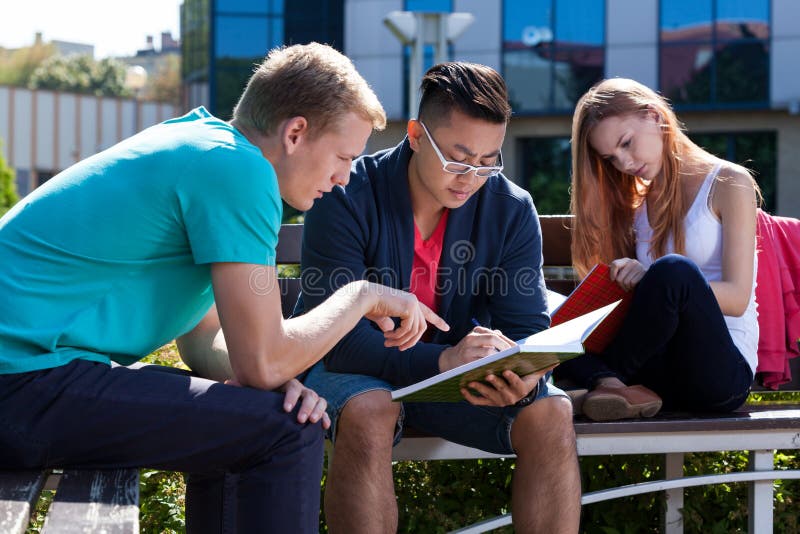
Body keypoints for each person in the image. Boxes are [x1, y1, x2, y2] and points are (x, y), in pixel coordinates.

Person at [0, 42, 447, 533]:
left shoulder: (204, 147)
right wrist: (362, 295)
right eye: (343, 157)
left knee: (271, 415)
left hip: (31, 380)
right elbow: (263, 361)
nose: (343, 180)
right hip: (20, 384)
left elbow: (204, 337)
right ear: (296, 132)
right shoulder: (239, 170)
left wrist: (276, 385)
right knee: (286, 432)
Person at [296, 62, 580, 533]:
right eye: (458, 158)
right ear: (414, 135)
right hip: (356, 370)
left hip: (457, 380)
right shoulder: (346, 192)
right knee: (370, 411)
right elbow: (338, 338)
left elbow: (528, 327)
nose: (470, 177)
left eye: (489, 162)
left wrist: (522, 374)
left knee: (552, 411)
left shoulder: (510, 209)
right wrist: (444, 360)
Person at [555, 77, 759, 422]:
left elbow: (738, 297)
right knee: (555, 329)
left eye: (626, 143)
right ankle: (608, 382)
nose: (623, 162)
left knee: (674, 271)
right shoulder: (636, 207)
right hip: (657, 374)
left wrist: (650, 279)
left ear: (654, 115)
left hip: (718, 373)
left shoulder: (729, 182)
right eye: (611, 157)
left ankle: (601, 380)